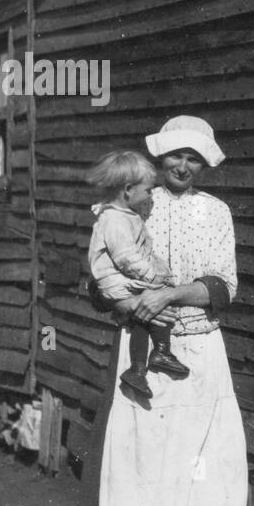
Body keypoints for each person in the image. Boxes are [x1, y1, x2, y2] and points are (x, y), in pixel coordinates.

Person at [68, 116, 249, 506]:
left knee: (206, 457)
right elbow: (101, 268)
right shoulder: (133, 203)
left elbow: (223, 285)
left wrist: (170, 293)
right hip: (143, 346)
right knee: (146, 459)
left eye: (194, 157)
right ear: (159, 160)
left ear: (206, 163)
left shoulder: (216, 212)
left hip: (200, 344)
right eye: (176, 156)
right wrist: (129, 302)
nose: (183, 166)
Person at [84, 150, 189, 399]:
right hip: (115, 282)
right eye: (149, 190)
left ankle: (138, 369)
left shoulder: (126, 216)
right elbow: (126, 257)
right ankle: (160, 352)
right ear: (128, 189)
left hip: (120, 280)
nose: (151, 195)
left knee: (144, 316)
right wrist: (154, 277)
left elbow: (142, 250)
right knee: (153, 302)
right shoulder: (114, 221)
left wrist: (157, 266)